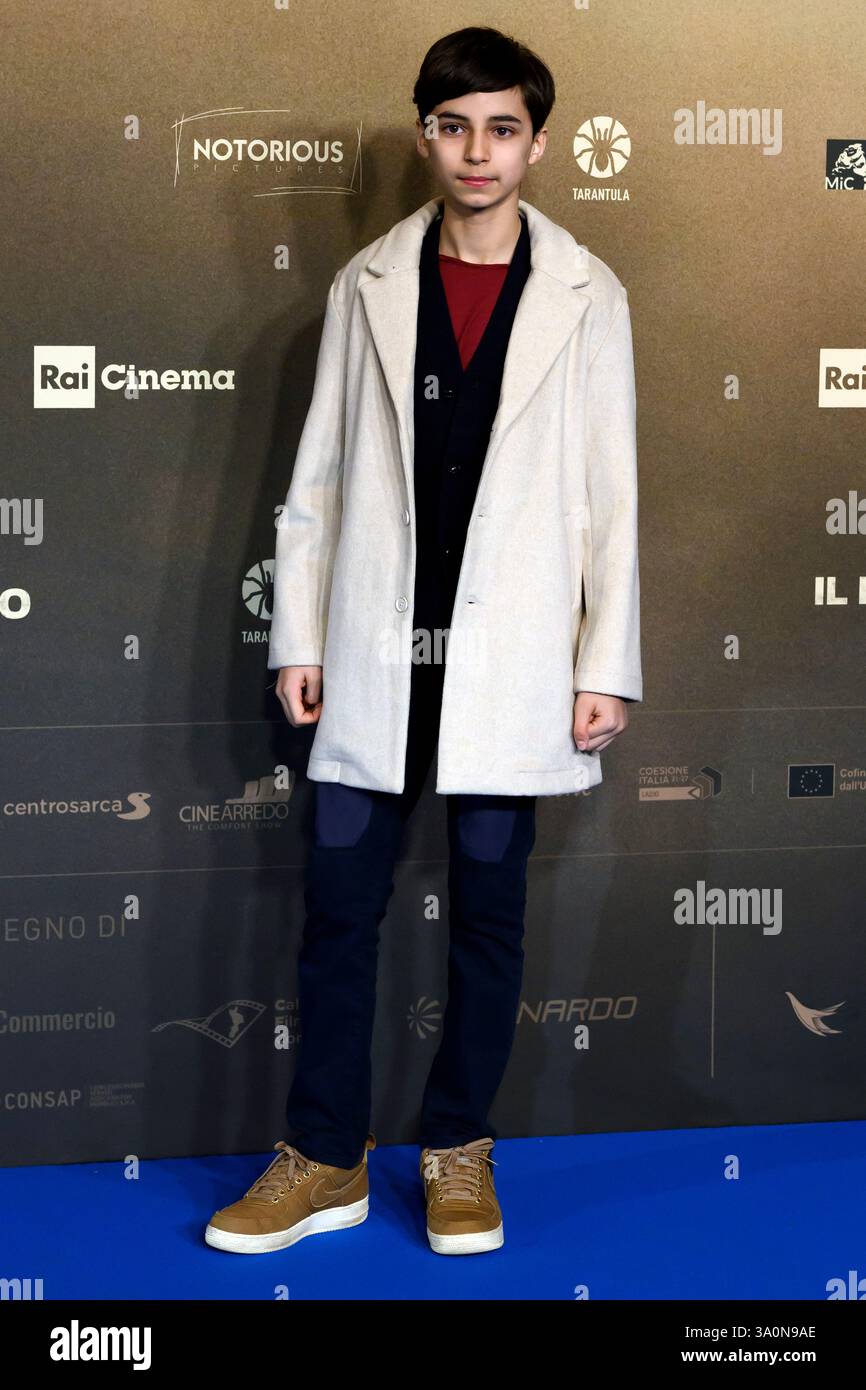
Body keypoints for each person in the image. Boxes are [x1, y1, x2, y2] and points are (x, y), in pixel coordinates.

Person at [205, 24, 642, 1258]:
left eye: (501, 127)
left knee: (490, 915)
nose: (476, 151)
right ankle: (324, 1158)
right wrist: (300, 633)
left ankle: (459, 1149)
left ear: (537, 143)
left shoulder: (586, 294)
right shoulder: (367, 284)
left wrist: (601, 662)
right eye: (453, 126)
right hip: (371, 656)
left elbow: (610, 495)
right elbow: (323, 479)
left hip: (509, 668)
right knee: (341, 909)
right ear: (424, 138)